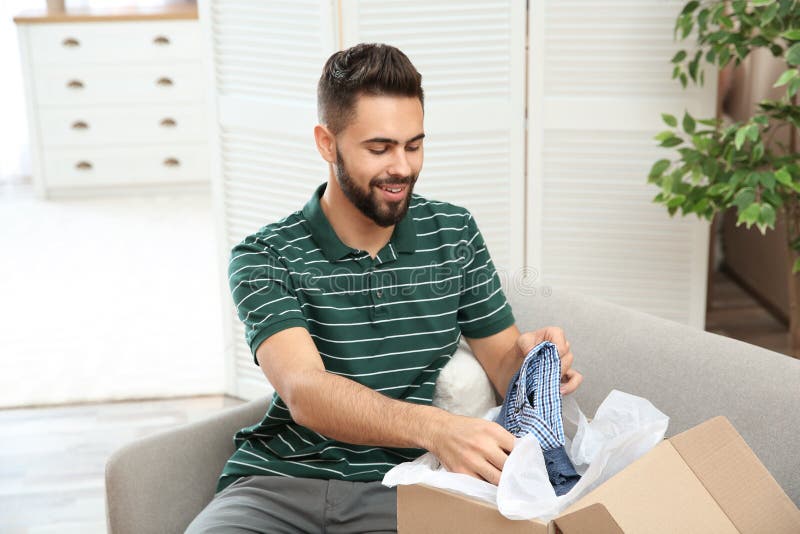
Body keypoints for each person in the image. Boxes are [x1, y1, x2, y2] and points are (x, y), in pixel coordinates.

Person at [187, 42, 582, 533]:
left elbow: (506, 372)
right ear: (327, 143)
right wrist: (436, 428)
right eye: (379, 149)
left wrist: (534, 363)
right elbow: (305, 392)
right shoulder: (265, 256)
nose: (402, 168)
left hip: (406, 489)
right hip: (276, 487)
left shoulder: (454, 233)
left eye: (413, 145)